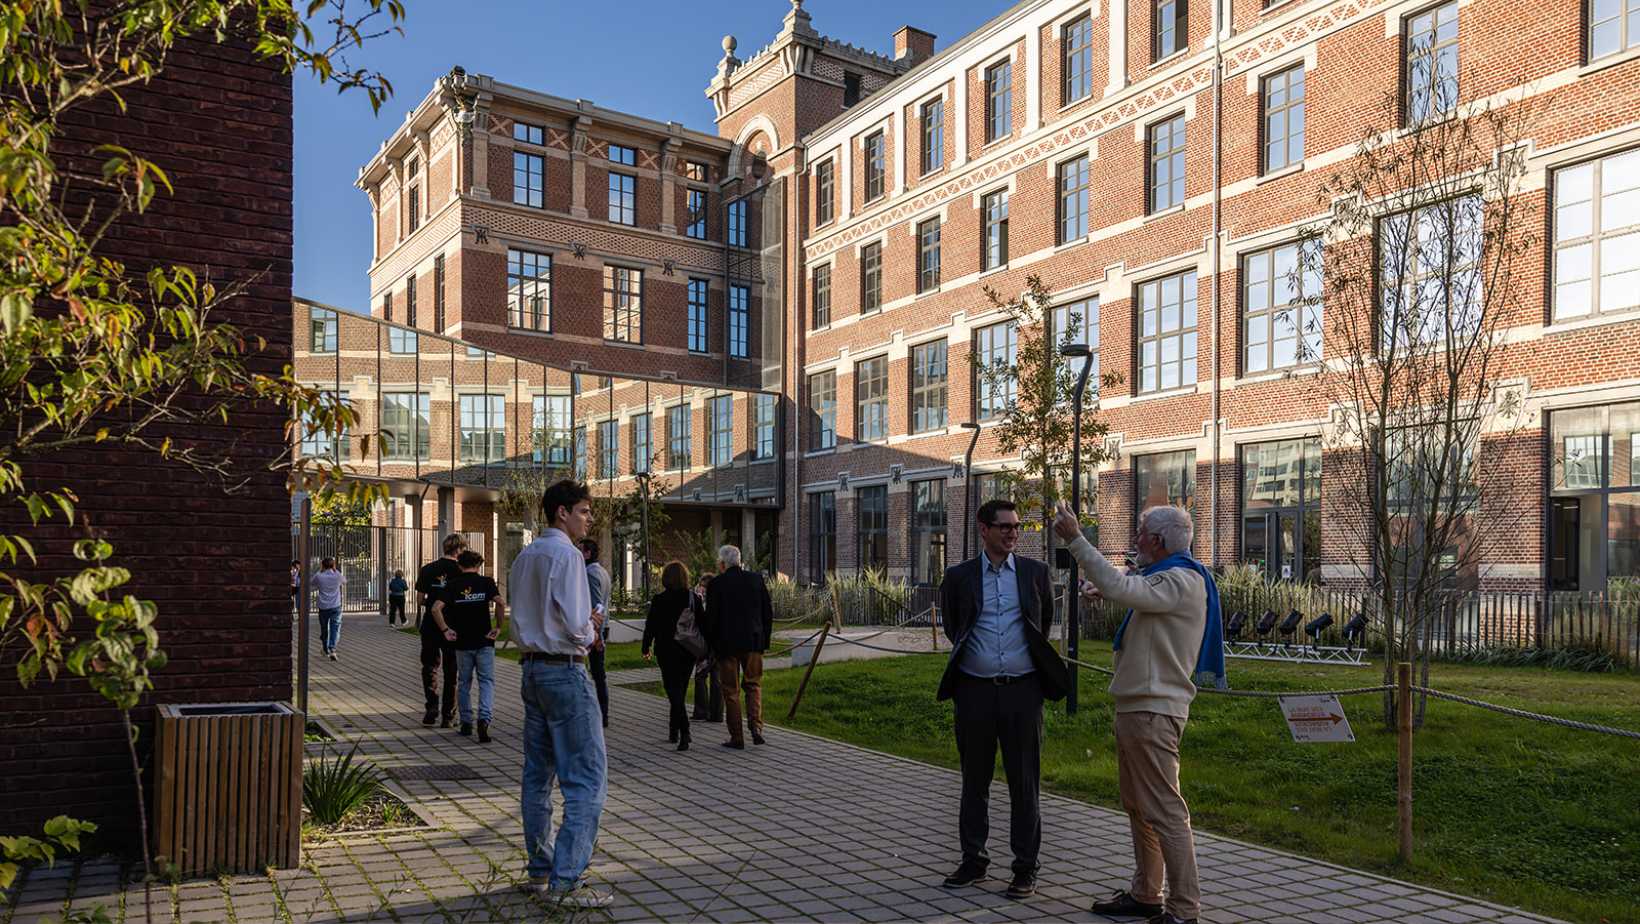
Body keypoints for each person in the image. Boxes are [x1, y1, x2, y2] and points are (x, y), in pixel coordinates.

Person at [1056, 501, 1224, 924]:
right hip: (1139, 709)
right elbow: (1129, 586)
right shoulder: (1171, 578)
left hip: (1153, 712)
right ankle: (1147, 893)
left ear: (1158, 541)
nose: (1135, 540)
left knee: (1165, 810)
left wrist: (1076, 539)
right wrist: (1111, 587)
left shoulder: (1181, 579)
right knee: (1139, 806)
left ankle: (1184, 911)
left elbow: (1123, 586)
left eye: (1139, 532)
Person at [936, 498, 1070, 901]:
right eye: (1005, 527)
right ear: (984, 529)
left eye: (1017, 527)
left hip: (1023, 693)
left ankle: (1025, 868)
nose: (1013, 533)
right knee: (973, 781)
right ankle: (973, 860)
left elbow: (1041, 624)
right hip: (974, 691)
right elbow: (954, 626)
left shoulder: (1034, 572)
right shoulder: (958, 577)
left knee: (1024, 784)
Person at [507, 479, 611, 909]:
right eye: (584, 511)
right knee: (586, 778)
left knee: (537, 776)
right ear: (562, 513)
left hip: (531, 670)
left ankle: (540, 869)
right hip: (565, 671)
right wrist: (592, 629)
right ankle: (567, 881)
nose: (589, 519)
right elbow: (574, 623)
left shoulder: (525, 556)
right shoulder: (567, 555)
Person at [431, 549, 507, 743]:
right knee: (487, 681)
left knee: (464, 682)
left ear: (459, 565)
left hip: (462, 642)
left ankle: (466, 722)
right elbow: (500, 602)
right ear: (479, 565)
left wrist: (445, 630)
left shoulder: (453, 585)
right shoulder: (486, 583)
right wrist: (498, 626)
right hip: (484, 641)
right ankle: (484, 718)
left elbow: (435, 608)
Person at [702, 545, 773, 750]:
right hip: (753, 642)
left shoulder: (716, 584)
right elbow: (767, 612)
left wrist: (711, 645)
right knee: (753, 685)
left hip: (727, 646)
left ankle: (737, 737)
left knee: (731, 691)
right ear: (739, 561)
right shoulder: (755, 579)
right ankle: (756, 727)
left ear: (723, 564)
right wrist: (764, 641)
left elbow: (711, 619)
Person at [641, 561, 703, 751]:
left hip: (666, 650)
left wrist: (646, 647)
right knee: (680, 690)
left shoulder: (659, 600)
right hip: (688, 650)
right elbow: (703, 624)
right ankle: (673, 729)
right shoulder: (693, 598)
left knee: (672, 690)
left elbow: (650, 626)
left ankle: (683, 730)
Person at [416, 534, 466, 728]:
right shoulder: (461, 571)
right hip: (454, 626)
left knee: (429, 667)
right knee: (451, 670)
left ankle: (431, 707)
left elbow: (420, 600)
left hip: (430, 625)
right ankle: (448, 715)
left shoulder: (428, 569)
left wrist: (431, 602)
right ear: (460, 549)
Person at [581, 538, 611, 729]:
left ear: (588, 553)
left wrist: (596, 634)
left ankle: (601, 714)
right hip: (601, 627)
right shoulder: (602, 571)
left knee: (596, 673)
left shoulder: (590, 573)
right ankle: (602, 713)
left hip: (595, 629)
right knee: (597, 672)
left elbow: (597, 604)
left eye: (580, 550)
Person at [690, 575, 722, 723]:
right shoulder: (721, 600)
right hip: (720, 644)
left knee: (700, 676)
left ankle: (701, 711)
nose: (699, 588)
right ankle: (717, 713)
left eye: (701, 585)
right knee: (716, 678)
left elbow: (703, 622)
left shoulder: (705, 601)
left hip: (706, 645)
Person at [313, 557, 346, 661]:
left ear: (322, 565)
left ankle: (325, 648)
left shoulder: (319, 576)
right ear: (333, 565)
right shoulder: (337, 575)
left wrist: (320, 570)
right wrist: (336, 571)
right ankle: (332, 648)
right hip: (335, 606)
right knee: (335, 628)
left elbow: (311, 582)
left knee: (324, 628)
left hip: (323, 606)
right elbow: (345, 581)